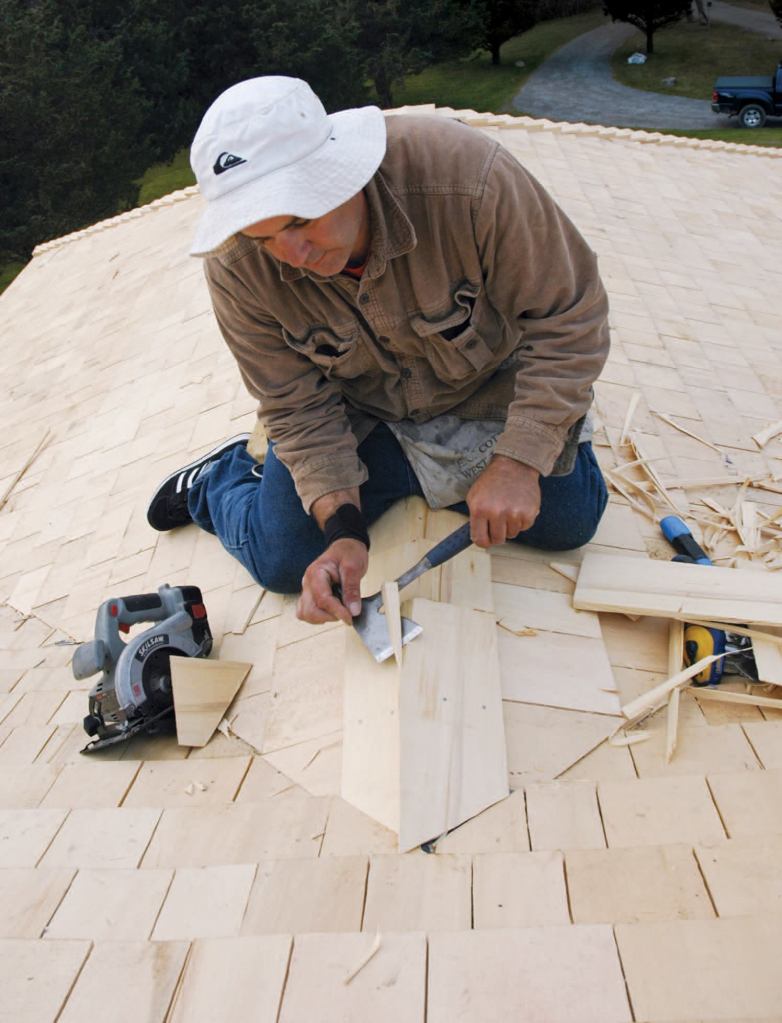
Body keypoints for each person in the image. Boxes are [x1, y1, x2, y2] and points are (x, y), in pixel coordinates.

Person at [147, 76, 610, 626]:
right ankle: (219, 480)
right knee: (282, 560)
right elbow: (295, 405)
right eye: (265, 237)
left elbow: (570, 316)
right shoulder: (235, 265)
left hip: (484, 389)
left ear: (343, 175)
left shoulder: (466, 177)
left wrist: (518, 462)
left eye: (300, 221)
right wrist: (342, 530)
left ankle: (428, 474)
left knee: (571, 521)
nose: (292, 255)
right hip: (362, 413)